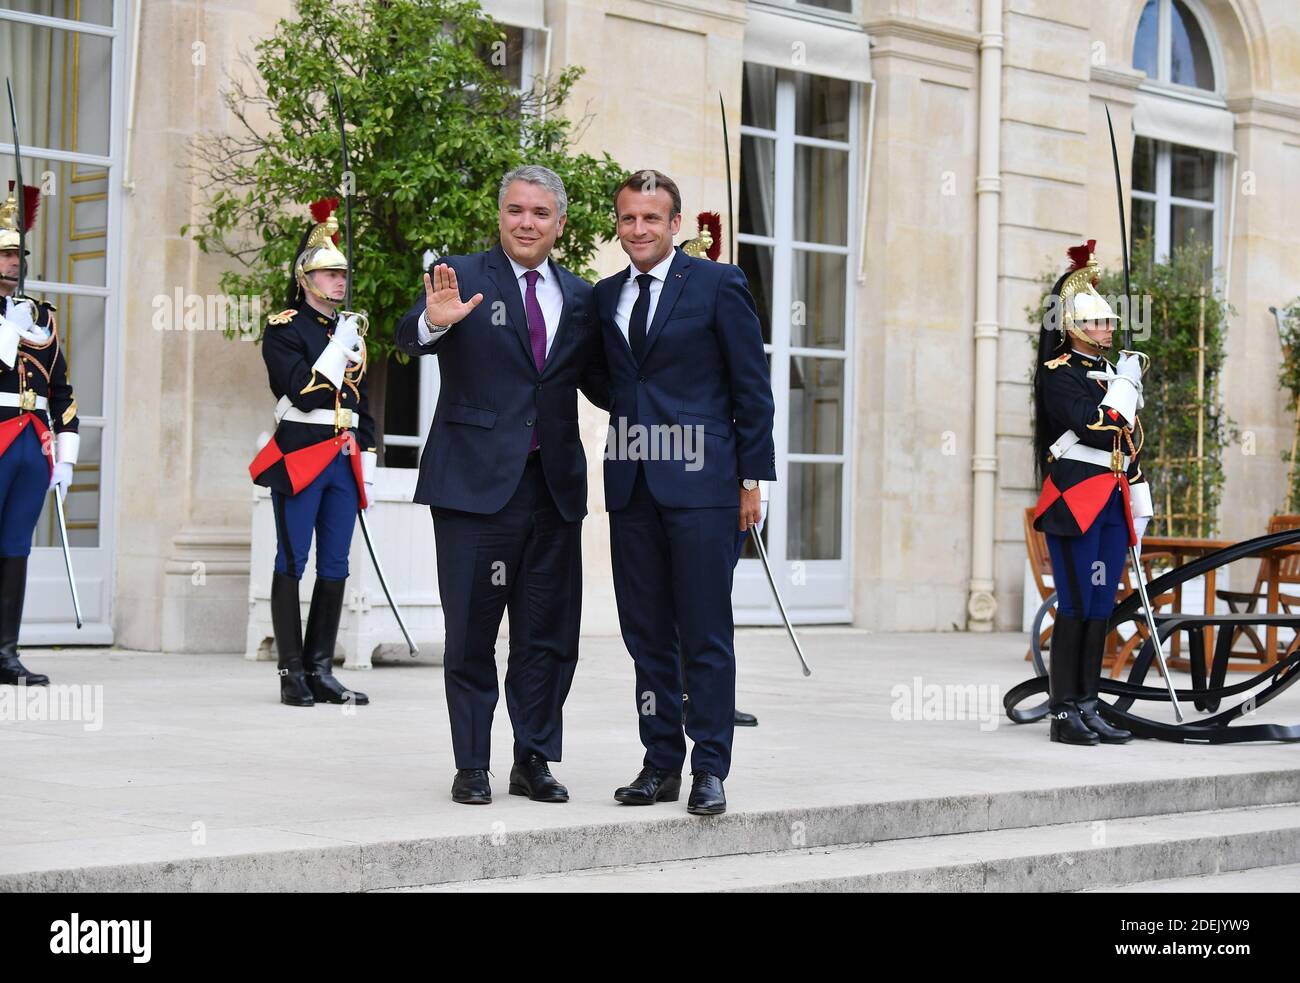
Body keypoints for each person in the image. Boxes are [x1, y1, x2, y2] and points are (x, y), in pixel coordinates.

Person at [395, 165, 610, 805]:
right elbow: (409, 338)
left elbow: (603, 382)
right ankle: (471, 764)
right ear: (500, 216)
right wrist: (433, 322)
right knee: (470, 634)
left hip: (553, 490)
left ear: (560, 224)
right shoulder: (460, 275)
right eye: (516, 210)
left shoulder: (581, 297)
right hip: (472, 489)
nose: (526, 222)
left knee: (547, 636)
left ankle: (534, 760)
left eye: (540, 213)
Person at [596, 170, 775, 815]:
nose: (638, 230)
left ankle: (711, 767)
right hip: (631, 481)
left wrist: (750, 479)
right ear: (617, 225)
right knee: (645, 634)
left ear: (676, 225)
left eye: (651, 219)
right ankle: (659, 762)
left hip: (704, 484)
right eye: (627, 219)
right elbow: (608, 378)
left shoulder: (718, 284)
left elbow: (751, 388)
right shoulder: (605, 295)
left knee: (703, 629)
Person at [249, 199, 375, 708]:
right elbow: (301, 391)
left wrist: (365, 437)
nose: (338, 281)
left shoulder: (344, 331)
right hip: (302, 452)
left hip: (342, 454)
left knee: (337, 564)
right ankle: (290, 671)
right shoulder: (285, 328)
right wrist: (338, 345)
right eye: (327, 274)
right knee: (292, 559)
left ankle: (321, 668)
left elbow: (356, 398)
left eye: (341, 273)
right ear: (305, 279)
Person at [1031, 240, 1153, 746]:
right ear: (1076, 327)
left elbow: (1129, 442)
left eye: (1109, 322)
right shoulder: (1058, 375)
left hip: (1111, 498)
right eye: (1099, 322)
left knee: (1101, 604)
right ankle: (1062, 714)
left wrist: (1140, 485)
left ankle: (1087, 702)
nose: (1108, 329)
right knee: (1077, 604)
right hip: (1076, 499)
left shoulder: (1108, 374)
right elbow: (1096, 427)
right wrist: (1124, 389)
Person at [0, 186, 78, 687]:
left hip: (33, 440)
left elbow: (62, 388)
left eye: (18, 254)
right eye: (6, 253)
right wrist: (10, 327)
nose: (14, 262)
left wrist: (66, 455)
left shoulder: (41, 315)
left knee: (15, 546)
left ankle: (6, 651)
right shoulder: (18, 319)